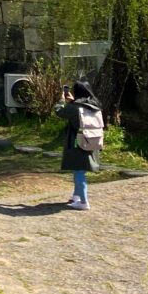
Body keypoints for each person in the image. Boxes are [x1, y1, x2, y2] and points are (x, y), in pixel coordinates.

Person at [56, 80, 104, 211]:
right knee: (79, 169)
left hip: (77, 141)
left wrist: (61, 101)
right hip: (92, 140)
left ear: (77, 92)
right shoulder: (95, 105)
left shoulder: (75, 107)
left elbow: (59, 112)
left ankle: (84, 201)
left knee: (78, 171)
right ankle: (76, 196)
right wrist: (73, 101)